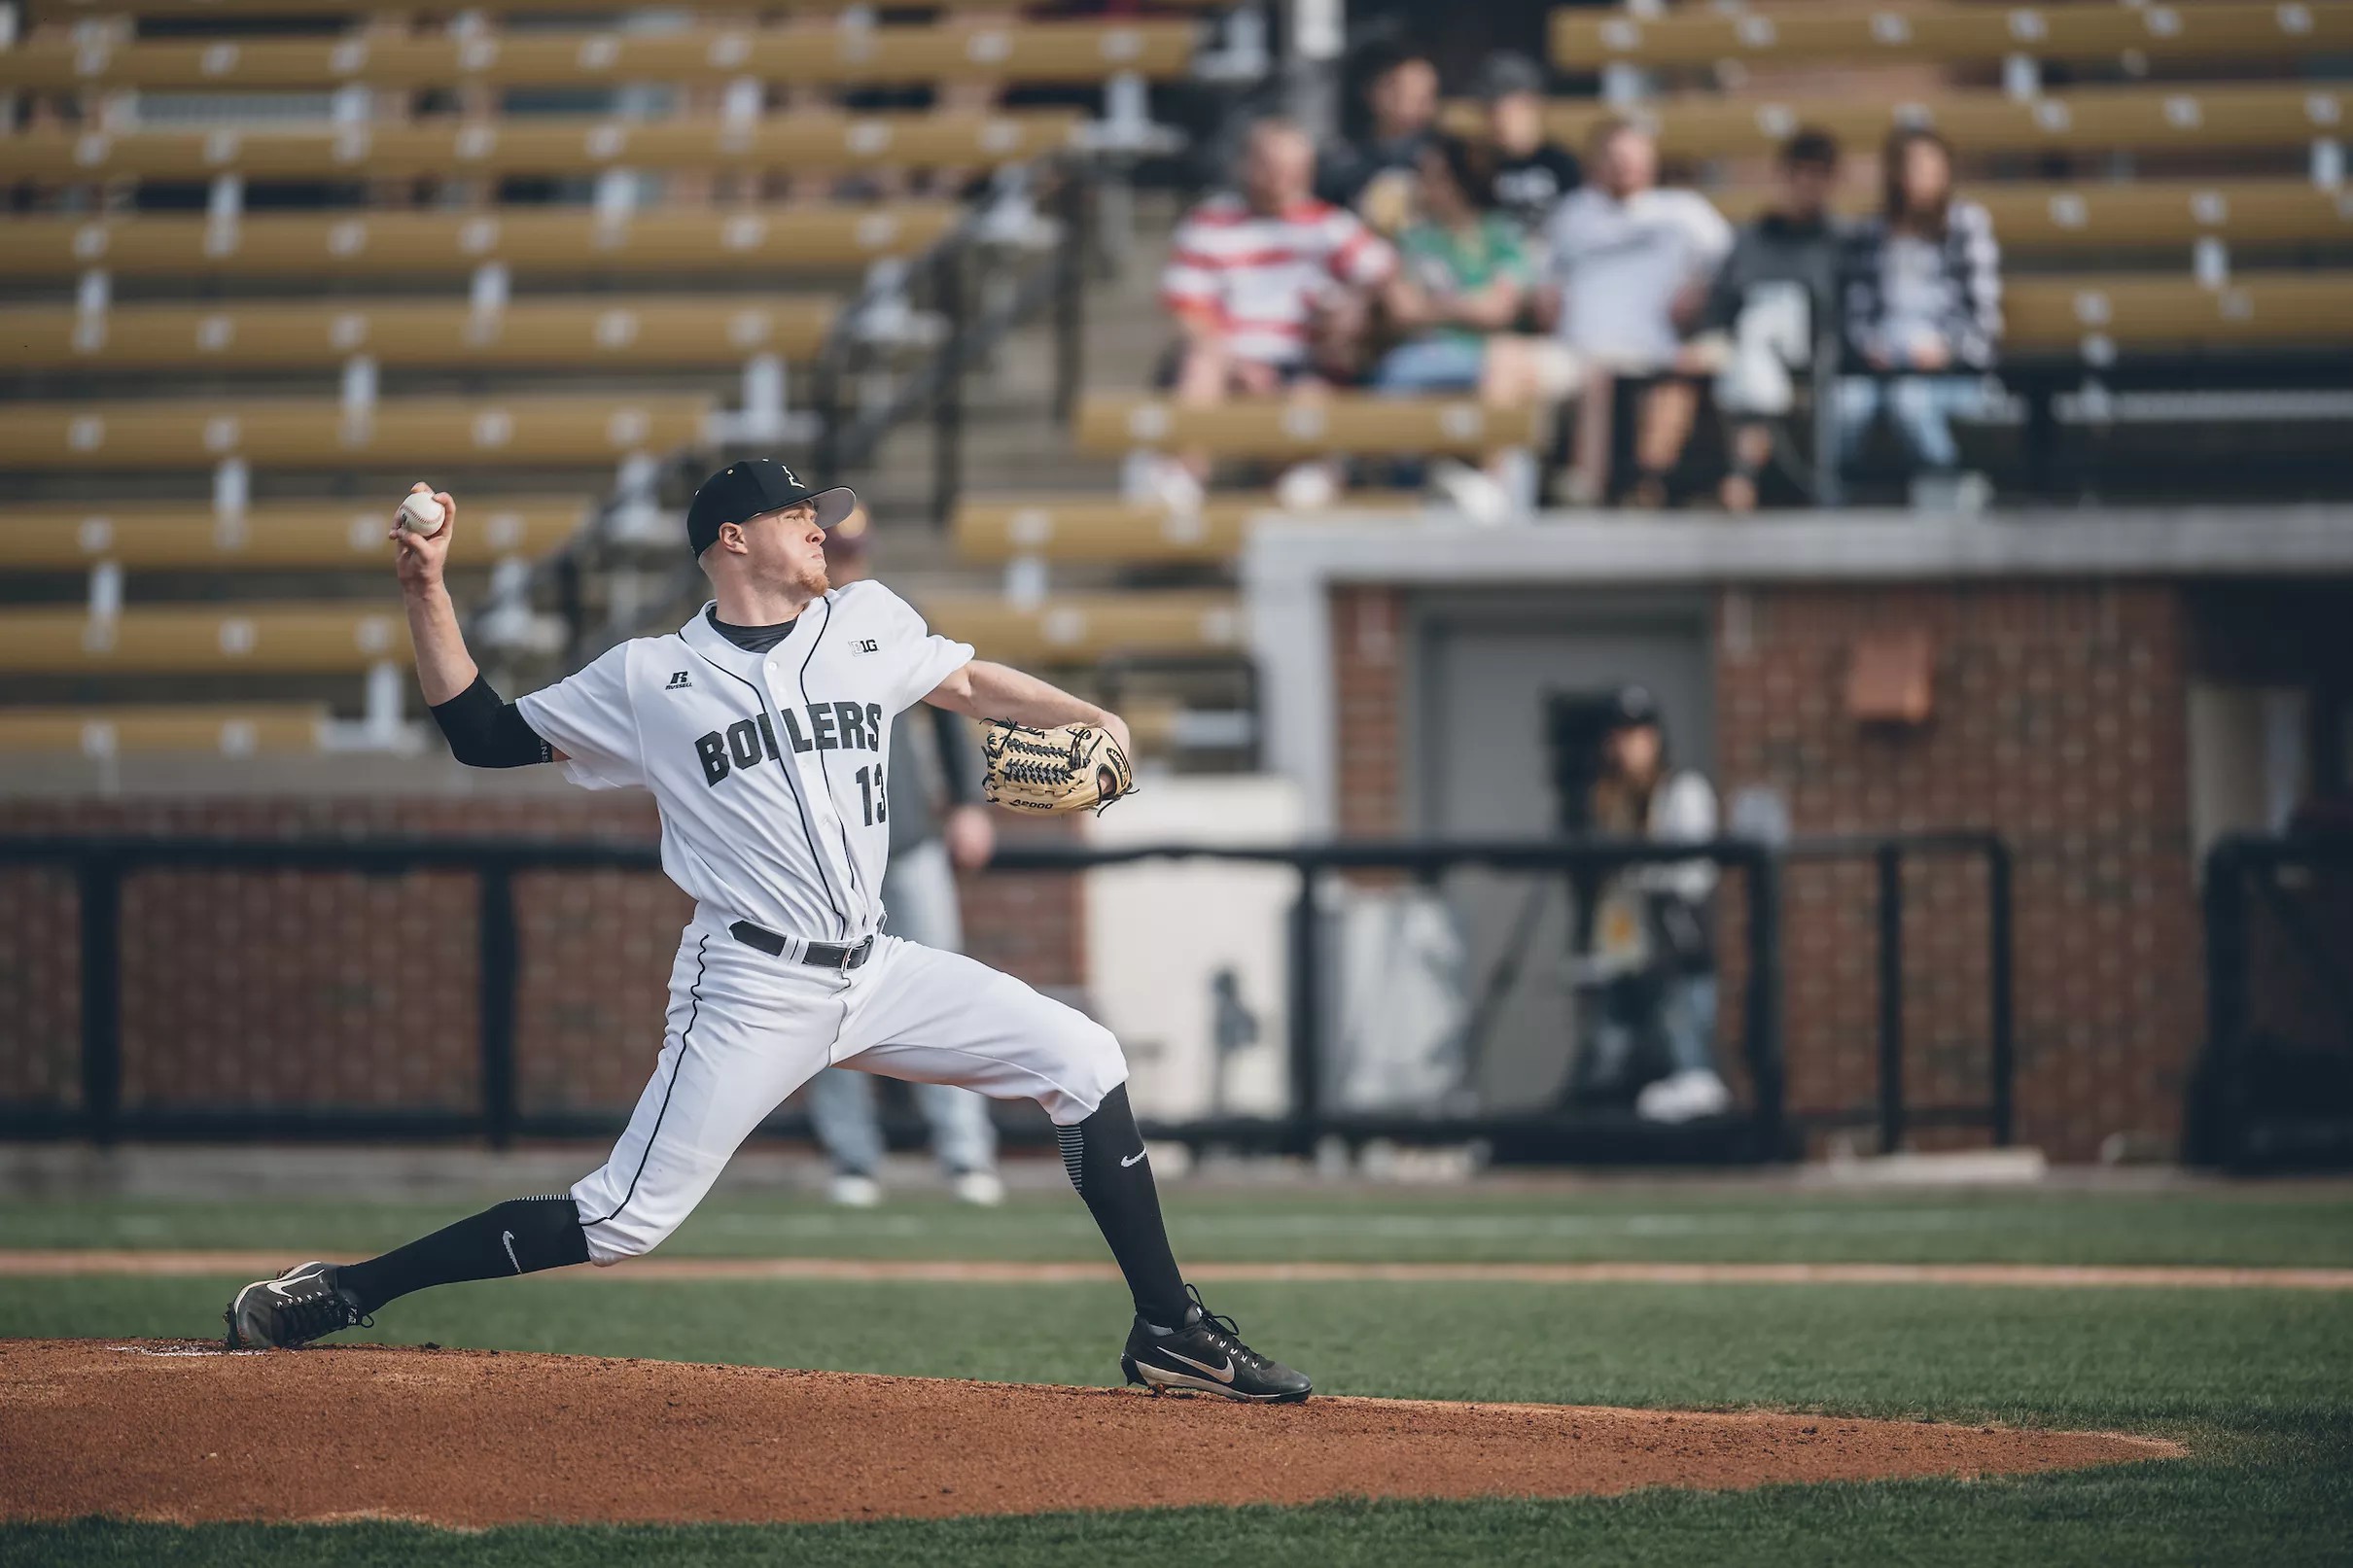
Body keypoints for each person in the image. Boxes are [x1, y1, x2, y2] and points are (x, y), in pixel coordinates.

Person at [221, 465, 1312, 1405]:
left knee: (1083, 1057)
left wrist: (1091, 720)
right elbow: (479, 735)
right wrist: (426, 589)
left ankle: (1169, 1330)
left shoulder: (868, 616)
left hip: (877, 966)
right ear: (732, 539)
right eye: (800, 516)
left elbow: (970, 680)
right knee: (621, 1218)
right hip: (747, 984)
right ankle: (349, 1286)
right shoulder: (648, 678)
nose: (821, 531)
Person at [801, 521, 1002, 1209]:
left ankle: (965, 1152)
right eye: (839, 548)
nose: (851, 561)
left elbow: (952, 703)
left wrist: (969, 801)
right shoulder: (784, 626)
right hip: (826, 854)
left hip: (908, 834)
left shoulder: (890, 615)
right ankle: (853, 1156)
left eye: (859, 548)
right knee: (830, 1004)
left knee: (947, 993)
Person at [1158, 118, 1396, 511]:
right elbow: (1188, 311)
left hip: (1301, 365)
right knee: (1200, 365)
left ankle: (1298, 490)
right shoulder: (1209, 224)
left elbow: (1386, 278)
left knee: (1312, 397)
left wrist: (1353, 310)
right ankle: (1182, 487)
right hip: (1227, 362)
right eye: (1270, 165)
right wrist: (1237, 365)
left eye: (1292, 168)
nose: (1281, 178)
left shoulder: (1329, 227)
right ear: (1246, 165)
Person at [1540, 118, 1733, 506]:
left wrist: (1699, 293)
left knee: (1681, 371)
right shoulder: (1573, 215)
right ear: (1596, 163)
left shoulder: (1684, 212)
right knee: (1591, 373)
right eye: (1616, 157)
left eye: (1635, 157)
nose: (1626, 166)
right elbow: (1544, 281)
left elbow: (1733, 267)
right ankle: (1586, 491)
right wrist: (1547, 303)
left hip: (1657, 346)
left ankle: (1646, 485)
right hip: (1582, 350)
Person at [1372, 133, 1551, 521]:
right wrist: (1466, 305)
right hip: (1421, 358)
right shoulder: (1415, 240)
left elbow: (1499, 311)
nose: (1423, 186)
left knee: (1504, 361)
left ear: (1458, 181)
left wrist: (1433, 306)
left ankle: (1493, 486)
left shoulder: (1502, 234)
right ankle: (1408, 493)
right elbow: (1401, 310)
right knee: (1397, 377)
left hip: (1489, 356)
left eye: (1433, 177)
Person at [1576, 686, 1730, 1124]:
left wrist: (1643, 872)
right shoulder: (1611, 799)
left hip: (1680, 947)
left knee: (1690, 1061)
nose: (1628, 746)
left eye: (1637, 733)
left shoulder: (1683, 790)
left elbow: (1693, 872)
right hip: (1628, 948)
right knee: (1623, 1053)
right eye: (1621, 735)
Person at [1835, 126, 2002, 503]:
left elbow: (1983, 314)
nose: (1921, 176)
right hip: (1882, 361)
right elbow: (1856, 312)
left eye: (1930, 166)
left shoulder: (1966, 225)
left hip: (1955, 368)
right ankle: (1837, 498)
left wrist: (1948, 349)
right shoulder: (1871, 233)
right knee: (1845, 404)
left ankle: (1950, 489)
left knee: (1910, 398)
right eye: (1912, 166)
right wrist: (1868, 347)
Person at [1689, 127, 1847, 512]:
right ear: (1784, 176)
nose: (1807, 183)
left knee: (1757, 362)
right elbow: (1719, 308)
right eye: (1799, 172)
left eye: (1818, 174)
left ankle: (1741, 478)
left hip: (1812, 362)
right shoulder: (1749, 242)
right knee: (1742, 361)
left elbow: (1842, 318)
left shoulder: (1841, 246)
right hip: (1741, 359)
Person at [1317, 40, 1440, 226]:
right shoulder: (1340, 165)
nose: (1422, 103)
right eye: (1408, 93)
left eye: (1428, 94)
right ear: (1373, 93)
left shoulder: (1445, 159)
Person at [1473, 52, 1581, 236]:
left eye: (1499, 107)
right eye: (1488, 108)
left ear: (1531, 104)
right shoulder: (1479, 166)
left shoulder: (1562, 164)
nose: (1493, 117)